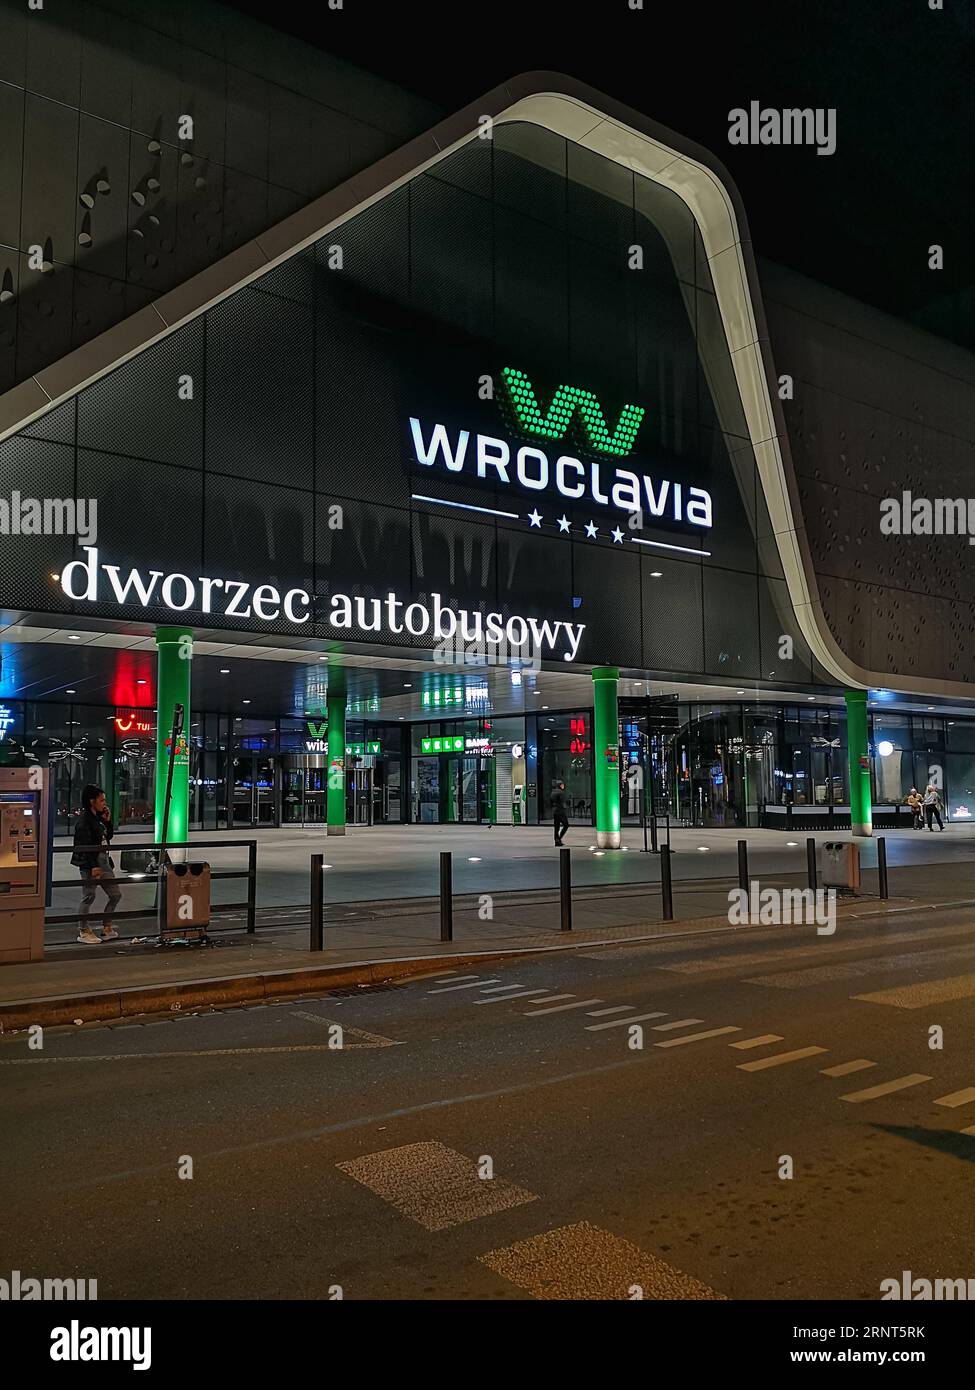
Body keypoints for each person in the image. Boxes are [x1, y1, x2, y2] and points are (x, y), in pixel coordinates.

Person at [72, 784, 121, 942]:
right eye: (101, 800)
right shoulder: (84, 822)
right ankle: (84, 930)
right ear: (92, 801)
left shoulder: (98, 819)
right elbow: (86, 846)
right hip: (90, 862)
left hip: (104, 860)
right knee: (89, 895)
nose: (104, 803)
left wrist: (107, 822)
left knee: (115, 894)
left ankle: (107, 927)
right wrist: (93, 865)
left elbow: (108, 837)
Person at [552, 781, 569, 846]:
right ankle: (559, 839)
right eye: (562, 785)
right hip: (560, 811)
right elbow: (563, 802)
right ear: (559, 785)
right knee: (566, 825)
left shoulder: (553, 792)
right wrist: (565, 808)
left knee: (556, 827)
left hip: (555, 811)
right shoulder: (561, 792)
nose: (563, 786)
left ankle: (557, 840)